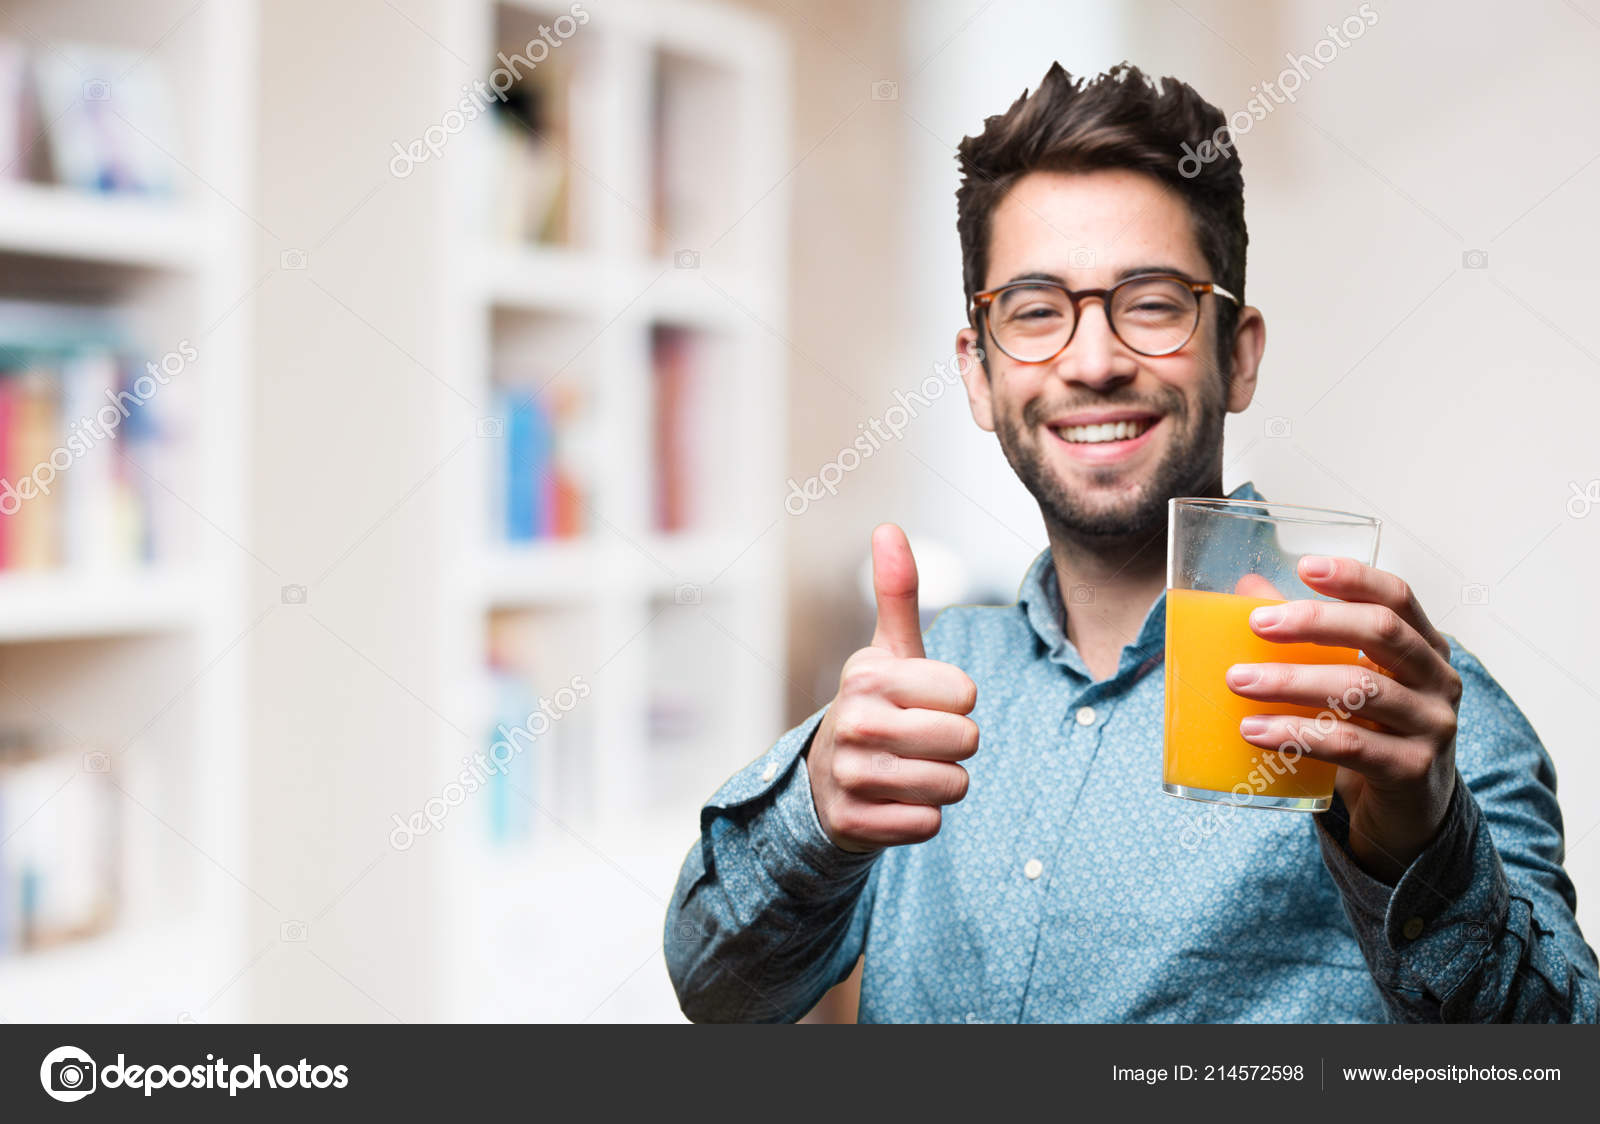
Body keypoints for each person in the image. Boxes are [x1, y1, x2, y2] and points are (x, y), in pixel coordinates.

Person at [663, 62, 1598, 1022]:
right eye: (1034, 311)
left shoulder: (1397, 716)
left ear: (1237, 355)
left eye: (1151, 302)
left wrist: (1420, 850)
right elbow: (720, 992)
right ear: (979, 376)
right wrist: (814, 812)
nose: (1096, 360)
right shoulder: (922, 693)